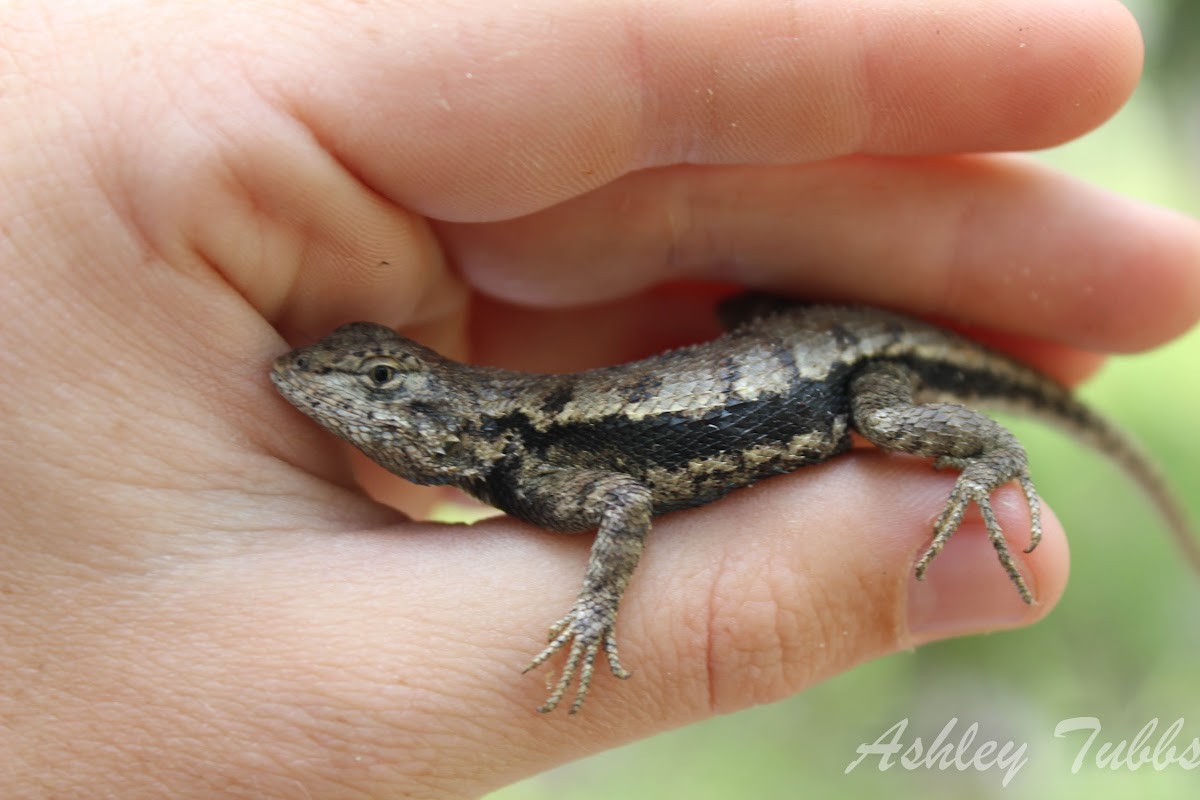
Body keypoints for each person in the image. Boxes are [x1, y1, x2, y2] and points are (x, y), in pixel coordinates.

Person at [3, 1, 1198, 797]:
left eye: (378, 383)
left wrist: (593, 611)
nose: (334, 394)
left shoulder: (545, 461)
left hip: (839, 374)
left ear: (440, 412)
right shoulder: (515, 452)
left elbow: (626, 499)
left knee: (883, 424)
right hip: (766, 362)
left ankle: (994, 452)